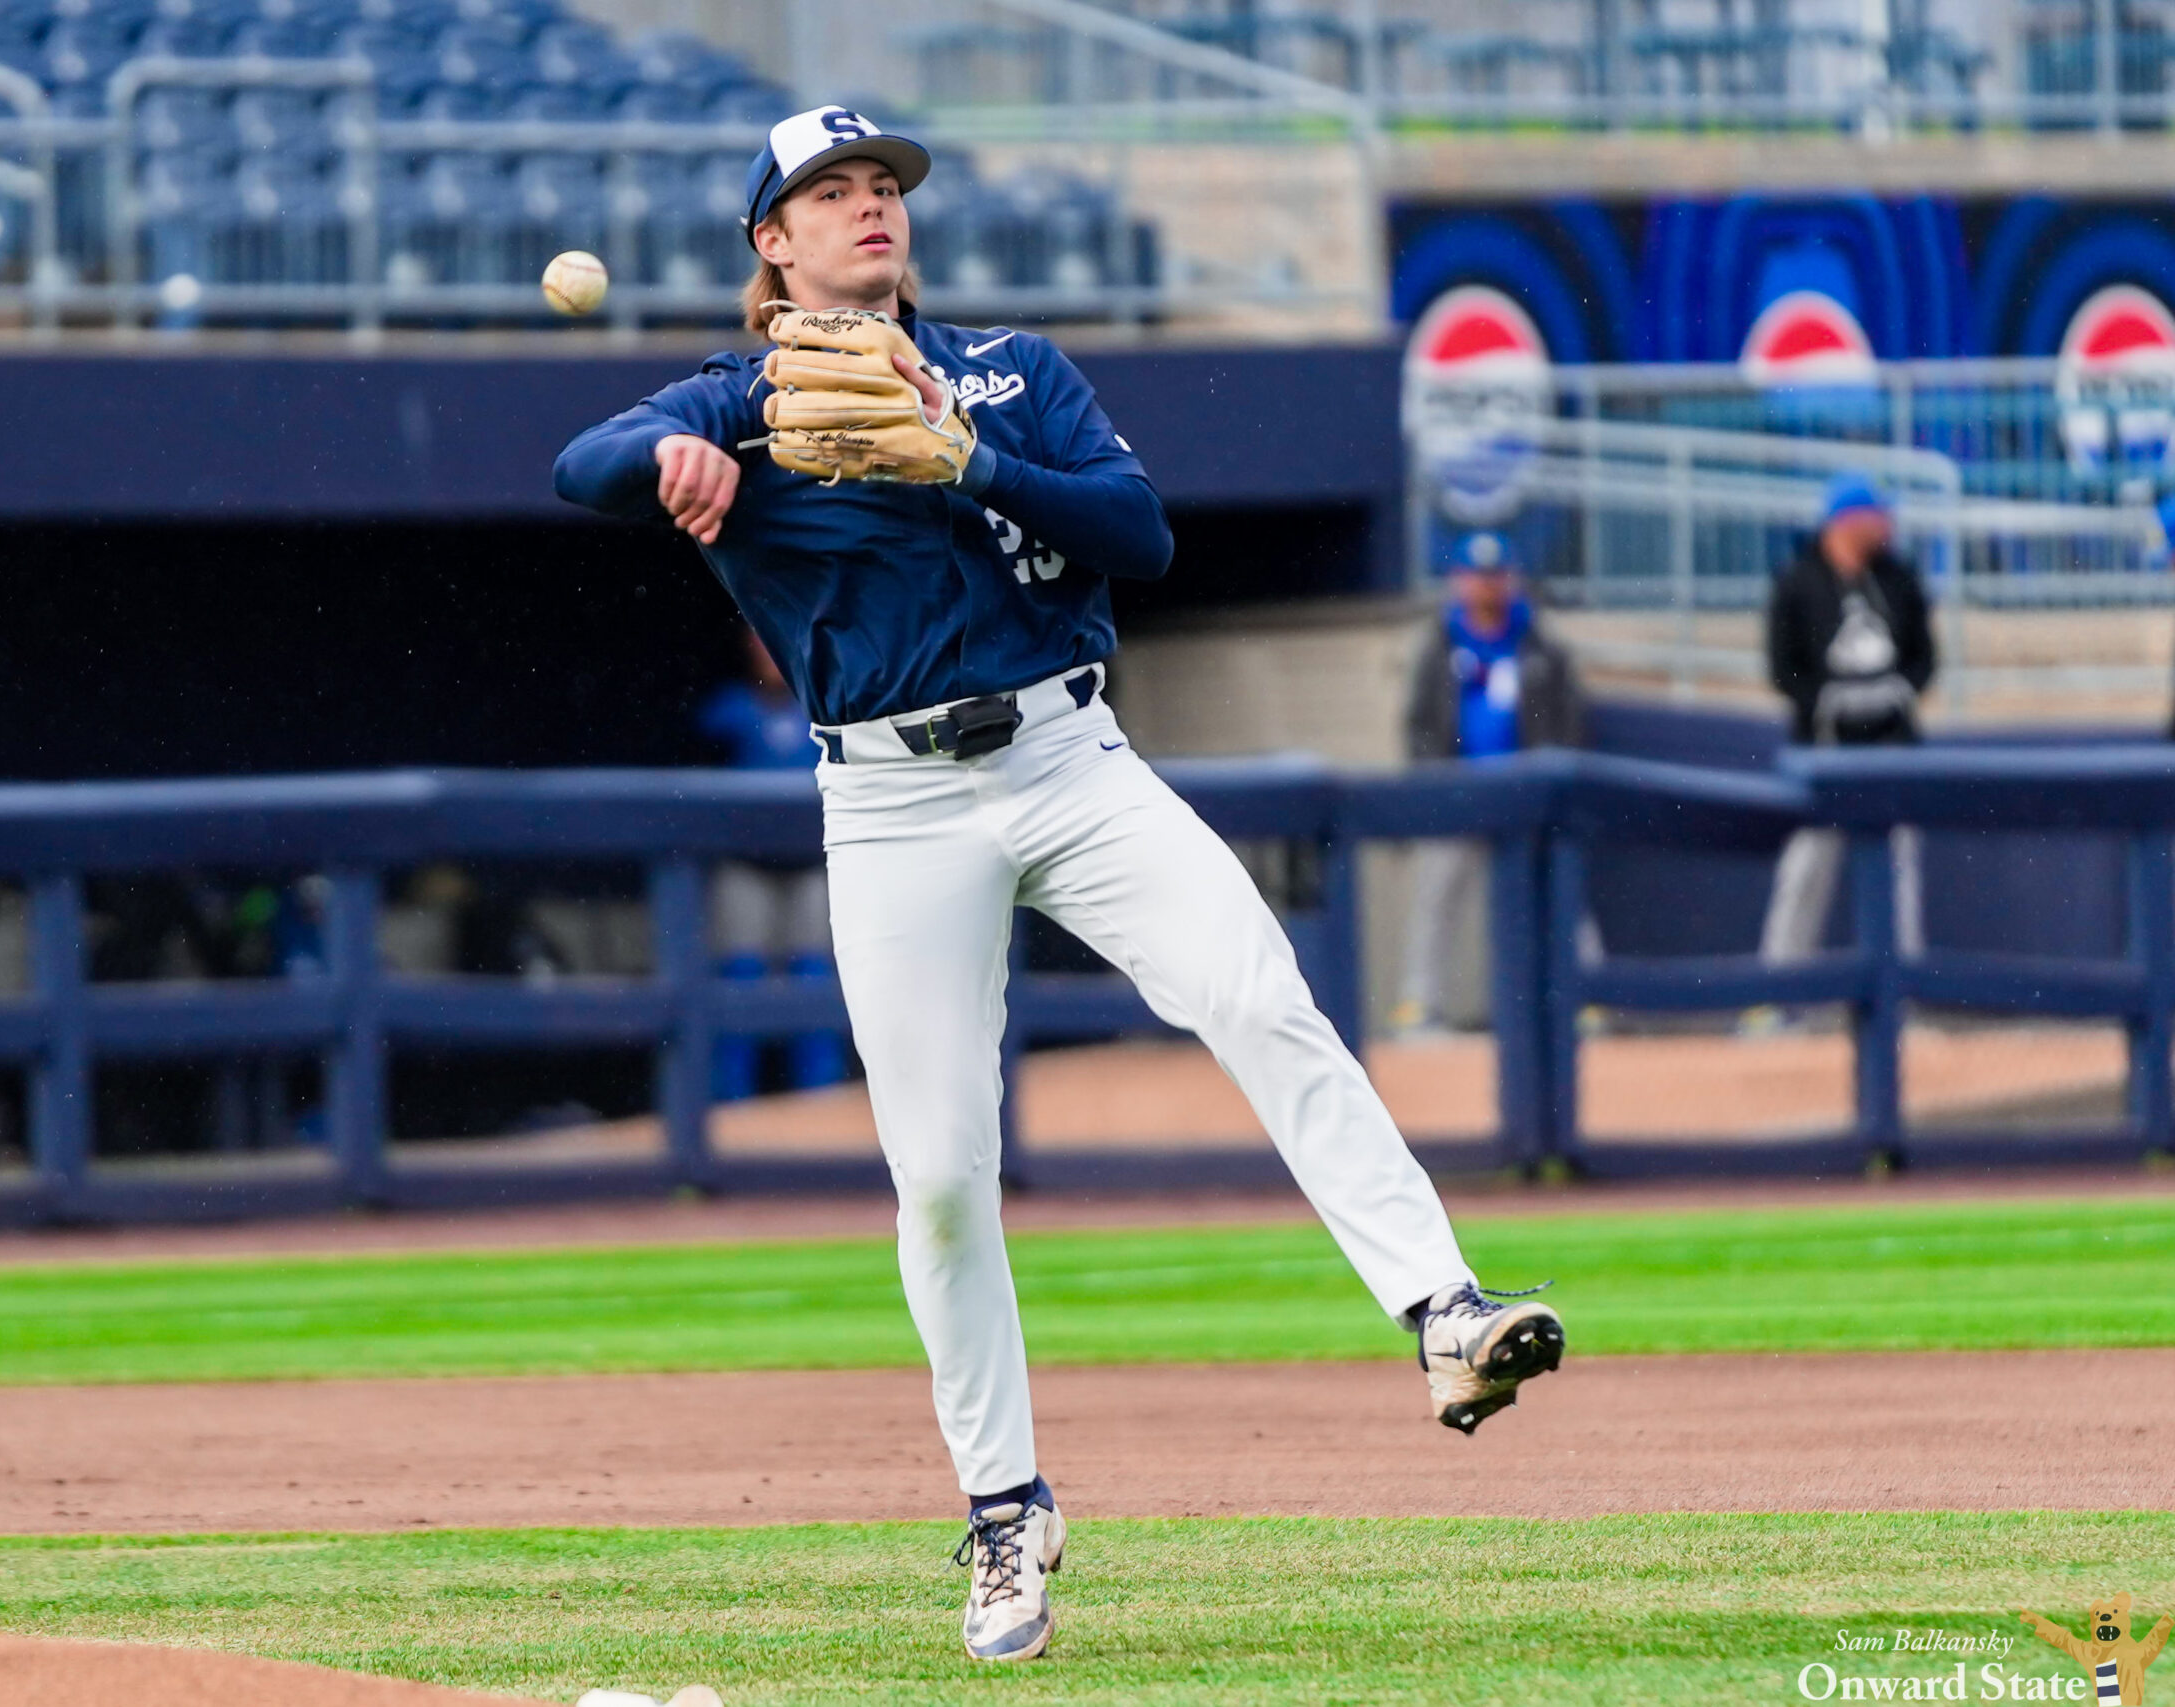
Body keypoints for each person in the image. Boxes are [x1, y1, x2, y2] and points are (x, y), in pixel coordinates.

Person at [553, 105, 1564, 1666]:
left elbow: (1139, 537)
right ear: (774, 241)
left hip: (1070, 756)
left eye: (885, 183)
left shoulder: (1015, 370)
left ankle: (1442, 1308)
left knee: (1259, 990)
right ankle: (1004, 1506)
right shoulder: (738, 400)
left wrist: (968, 457)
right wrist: (669, 452)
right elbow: (583, 466)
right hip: (889, 800)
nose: (870, 204)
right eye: (832, 190)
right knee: (944, 1174)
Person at [1393, 530, 1587, 1036]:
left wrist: (1551, 780)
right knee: (1436, 899)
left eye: (1496, 575)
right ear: (1459, 581)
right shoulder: (1439, 644)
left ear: (1512, 579)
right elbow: (1419, 723)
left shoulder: (1540, 643)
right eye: (1478, 576)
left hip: (1526, 791)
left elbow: (1569, 719)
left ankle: (1585, 997)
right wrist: (1431, 785)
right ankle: (1420, 1004)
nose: (1487, 585)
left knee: (1560, 893)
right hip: (1458, 791)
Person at [1753, 473, 1935, 1002]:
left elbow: (1924, 658)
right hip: (1823, 754)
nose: (1886, 524)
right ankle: (1780, 994)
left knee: (1899, 872)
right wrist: (1830, 701)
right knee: (1805, 871)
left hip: (1892, 751)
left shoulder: (1898, 576)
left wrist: (1894, 692)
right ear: (1848, 520)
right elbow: (1783, 671)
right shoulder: (1797, 581)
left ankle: (1905, 992)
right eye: (1876, 514)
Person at [698, 625, 844, 1098]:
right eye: (757, 640)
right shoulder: (725, 713)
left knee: (815, 984)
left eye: (772, 638)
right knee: (738, 984)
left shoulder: (825, 707)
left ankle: (820, 1105)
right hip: (745, 867)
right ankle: (731, 1108)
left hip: (812, 865)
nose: (766, 650)